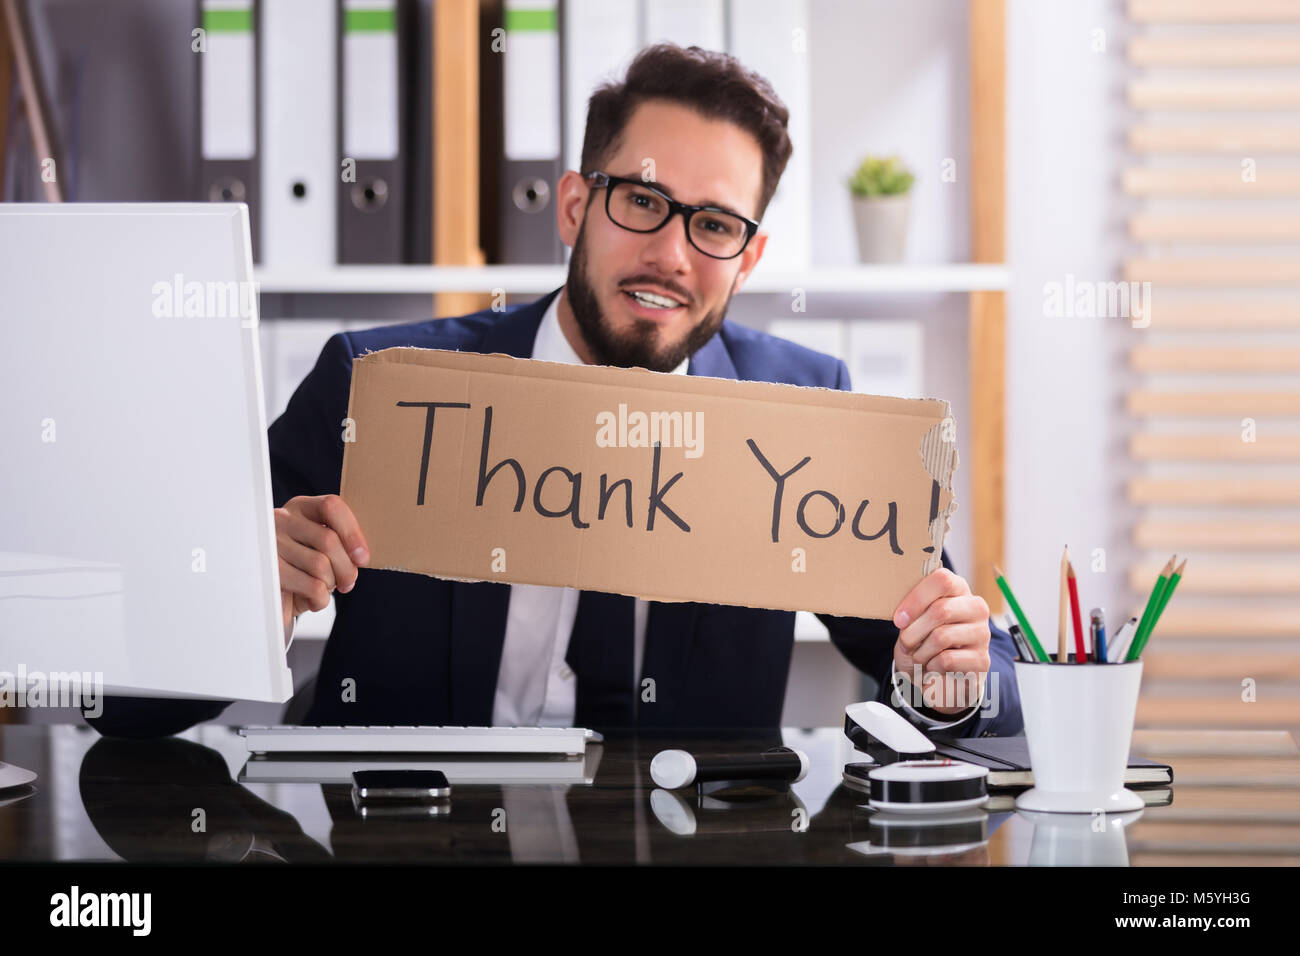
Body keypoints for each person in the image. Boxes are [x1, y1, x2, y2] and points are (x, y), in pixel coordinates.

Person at [87, 43, 1022, 739]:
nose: (670, 254)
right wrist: (236, 601)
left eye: (716, 225)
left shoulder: (809, 409)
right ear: (575, 205)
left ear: (750, 258)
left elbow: (981, 678)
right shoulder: (376, 388)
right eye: (642, 202)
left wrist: (950, 672)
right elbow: (118, 698)